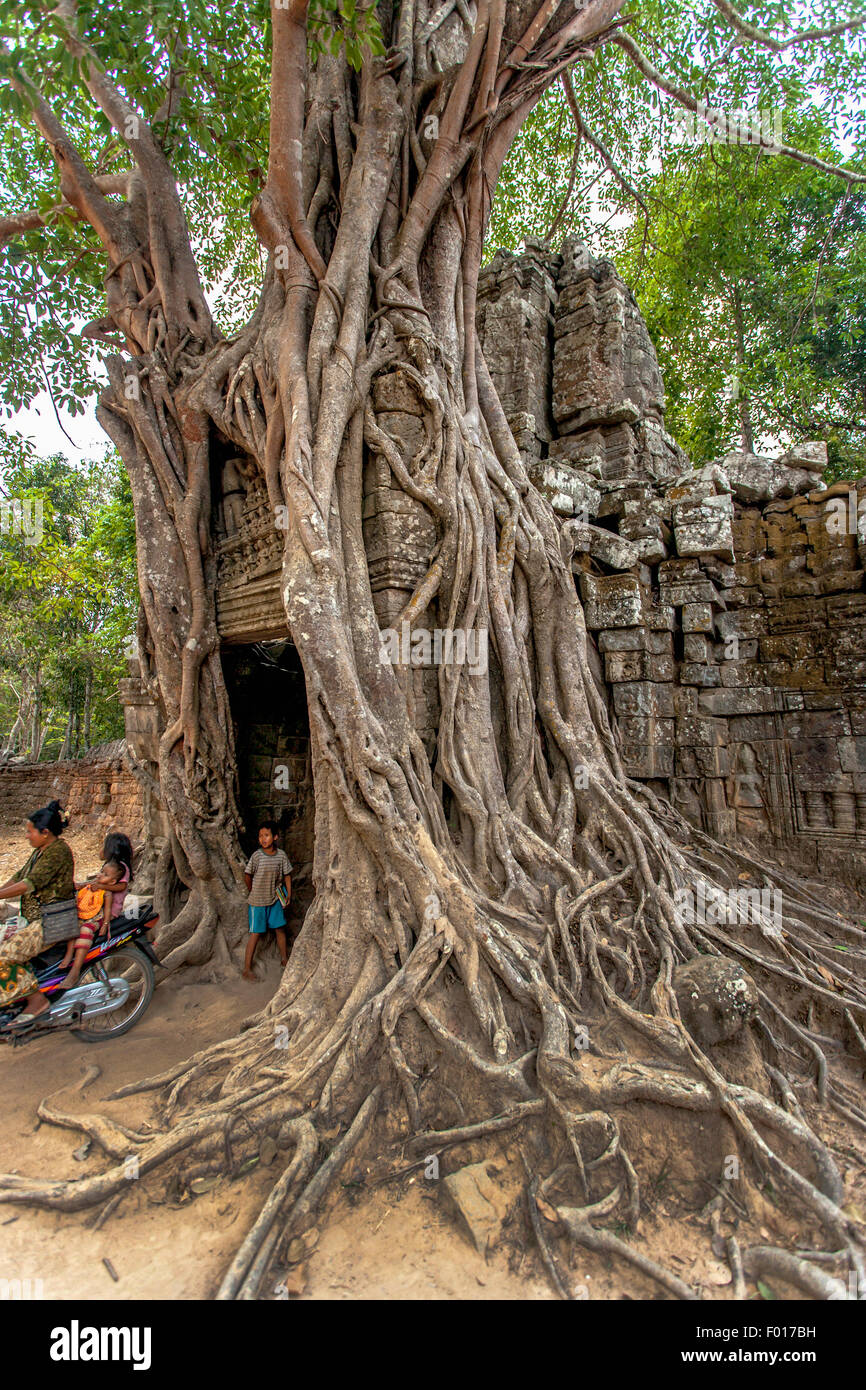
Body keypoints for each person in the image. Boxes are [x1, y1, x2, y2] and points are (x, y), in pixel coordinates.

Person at [0, 800, 75, 1027]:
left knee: (6, 955)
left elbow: (29, 884)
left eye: (29, 831)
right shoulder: (40, 851)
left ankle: (37, 1001)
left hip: (51, 922)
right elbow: (18, 877)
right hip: (35, 919)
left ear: (45, 833)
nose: (26, 836)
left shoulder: (58, 852)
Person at [59, 856, 126, 988]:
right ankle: (68, 955)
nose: (100, 875)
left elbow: (107, 910)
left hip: (95, 919)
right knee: (71, 927)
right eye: (102, 871)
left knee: (85, 931)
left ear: (112, 882)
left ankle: (75, 970)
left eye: (105, 875)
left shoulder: (106, 893)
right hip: (83, 916)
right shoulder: (90, 887)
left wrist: (105, 924)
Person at [243, 821, 292, 980]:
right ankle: (247, 969)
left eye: (266, 835)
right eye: (260, 836)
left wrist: (288, 894)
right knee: (255, 933)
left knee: (280, 929)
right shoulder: (257, 856)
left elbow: (287, 876)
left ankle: (285, 959)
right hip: (257, 902)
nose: (263, 839)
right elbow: (247, 875)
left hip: (275, 899)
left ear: (275, 837)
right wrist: (252, 891)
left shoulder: (281, 856)